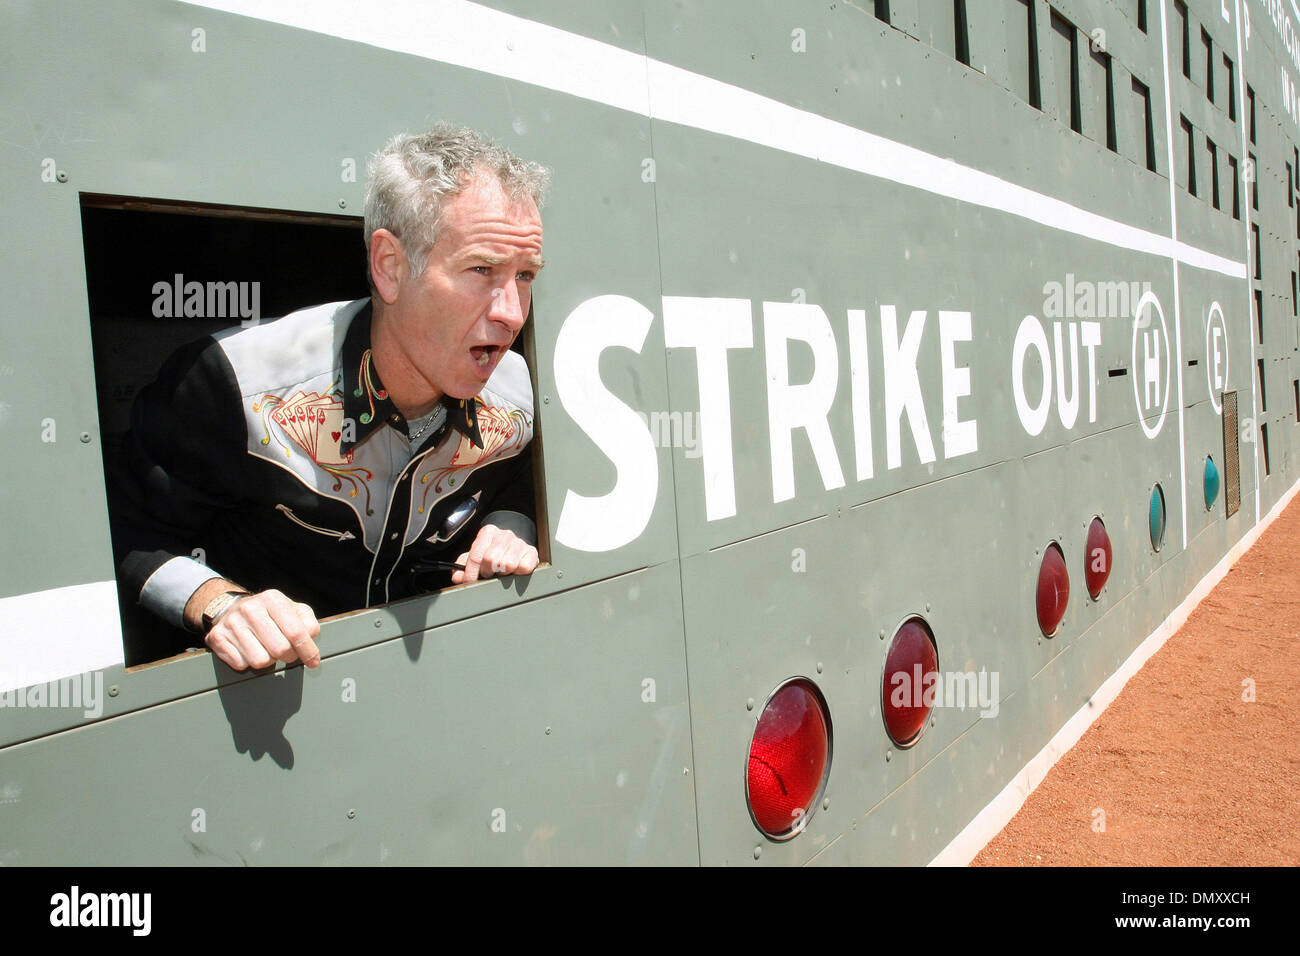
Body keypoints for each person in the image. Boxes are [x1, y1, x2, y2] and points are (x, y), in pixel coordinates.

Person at [110, 125, 549, 672]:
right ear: (389, 266)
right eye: (482, 269)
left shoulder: (525, 394)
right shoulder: (236, 382)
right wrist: (220, 604)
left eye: (525, 275)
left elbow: (520, 489)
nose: (512, 312)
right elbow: (120, 532)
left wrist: (511, 528)